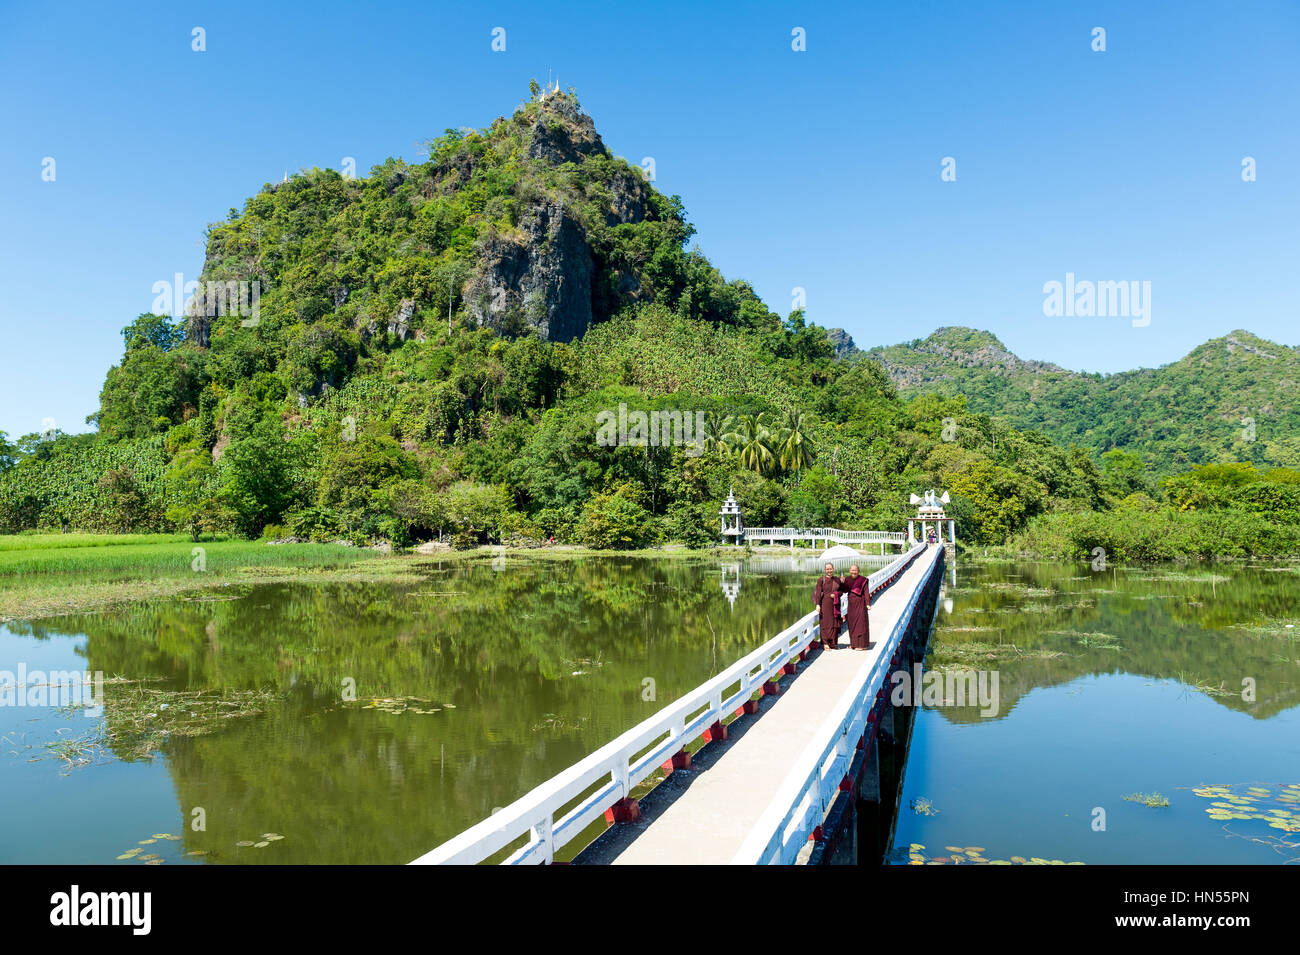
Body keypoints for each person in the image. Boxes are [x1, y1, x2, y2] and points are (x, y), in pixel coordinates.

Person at [812, 562, 842, 650]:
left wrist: (836, 594)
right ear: (825, 570)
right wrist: (818, 604)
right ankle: (825, 643)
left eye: (831, 569)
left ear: (833, 569)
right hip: (825, 603)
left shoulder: (837, 580)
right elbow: (818, 593)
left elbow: (841, 592)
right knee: (825, 622)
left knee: (834, 623)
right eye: (827, 569)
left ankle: (833, 643)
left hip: (835, 604)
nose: (829, 571)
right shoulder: (821, 580)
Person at [843, 563, 872, 650]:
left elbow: (866, 592)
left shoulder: (863, 580)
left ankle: (862, 645)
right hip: (851, 604)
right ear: (849, 571)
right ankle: (853, 644)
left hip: (860, 604)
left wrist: (867, 604)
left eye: (855, 570)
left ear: (858, 571)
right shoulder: (847, 579)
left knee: (861, 624)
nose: (853, 572)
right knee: (852, 624)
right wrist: (842, 582)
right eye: (852, 570)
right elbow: (844, 590)